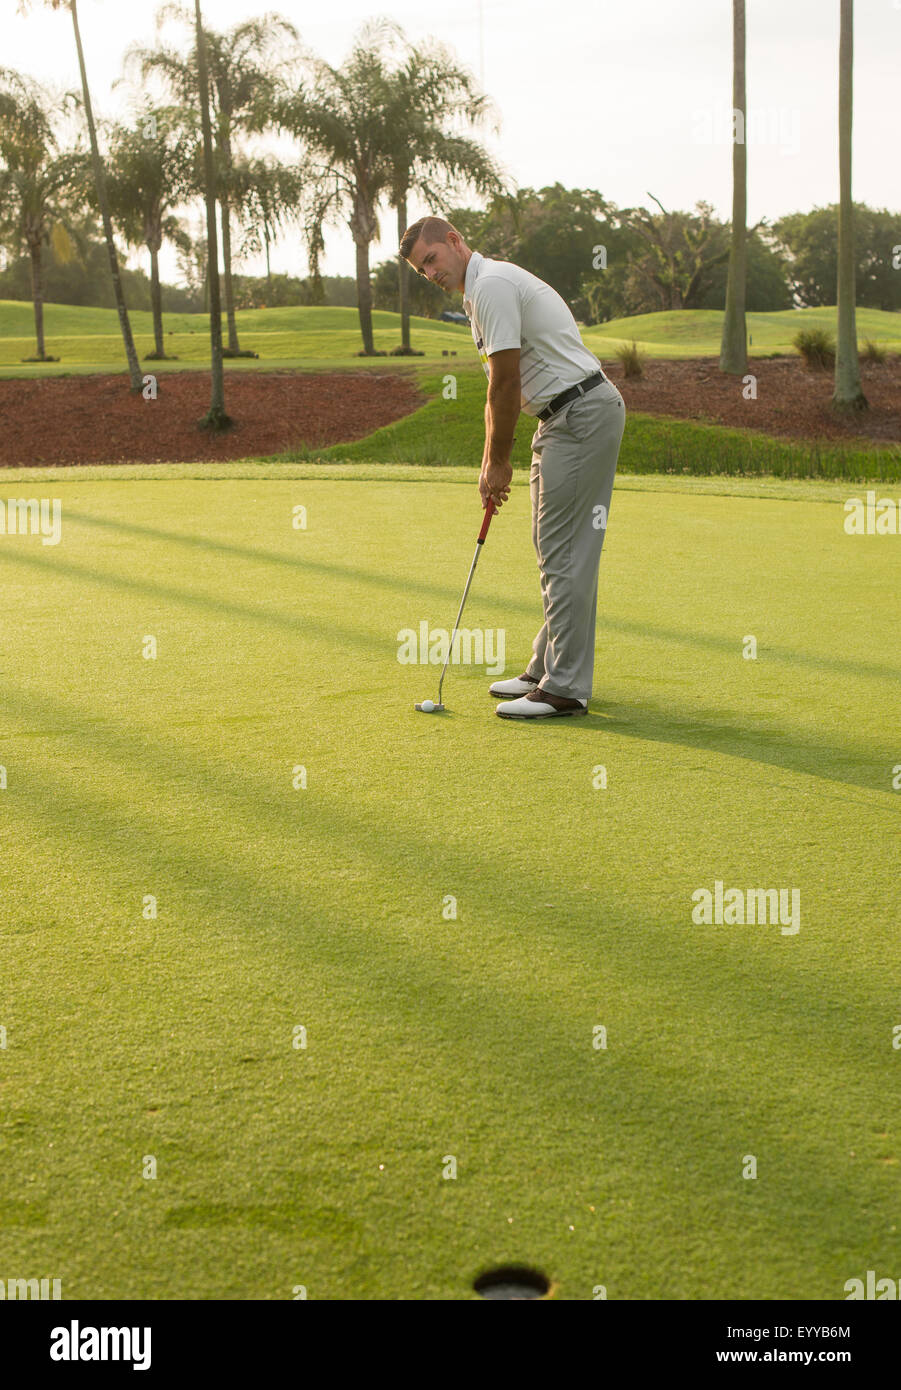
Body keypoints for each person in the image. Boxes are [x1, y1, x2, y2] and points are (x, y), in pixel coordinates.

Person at [400, 216, 626, 720]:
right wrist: (488, 463)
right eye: (421, 270)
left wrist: (500, 461)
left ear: (455, 242)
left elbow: (505, 381)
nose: (429, 272)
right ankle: (545, 669)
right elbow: (492, 391)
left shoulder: (494, 286)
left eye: (431, 259)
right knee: (557, 551)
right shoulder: (477, 294)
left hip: (579, 414)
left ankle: (564, 686)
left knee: (564, 555)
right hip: (559, 420)